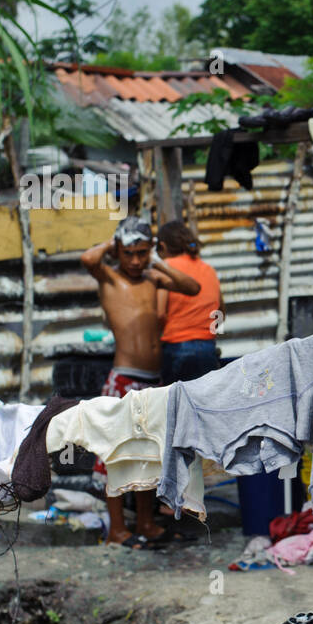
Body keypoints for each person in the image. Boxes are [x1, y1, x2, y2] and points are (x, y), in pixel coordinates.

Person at [81, 218, 200, 547]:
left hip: (153, 381)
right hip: (124, 379)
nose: (135, 261)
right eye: (128, 253)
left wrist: (157, 261)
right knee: (118, 455)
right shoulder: (109, 277)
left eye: (141, 253)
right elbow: (88, 259)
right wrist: (114, 242)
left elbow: (192, 288)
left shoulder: (153, 278)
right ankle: (118, 529)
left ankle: (146, 522)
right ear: (119, 251)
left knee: (149, 455)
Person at [155, 221, 224, 384]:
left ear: (163, 247)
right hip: (208, 348)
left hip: (176, 348)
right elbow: (221, 311)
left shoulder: (167, 268)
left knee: (175, 406)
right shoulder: (209, 269)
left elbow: (159, 313)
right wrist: (212, 336)